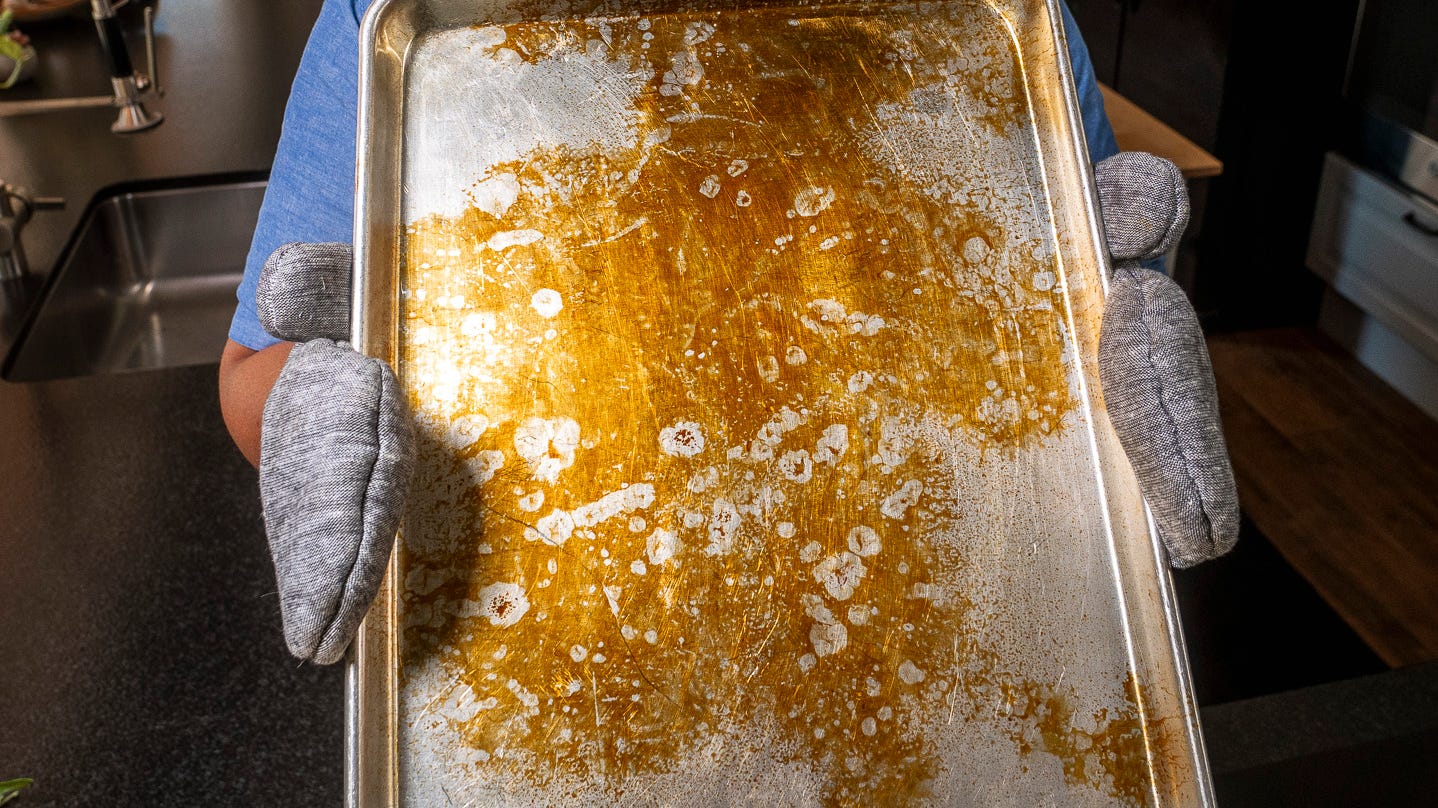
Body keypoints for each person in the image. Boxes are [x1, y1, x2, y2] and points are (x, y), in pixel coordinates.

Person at [219, 0, 1236, 664]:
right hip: (527, 663)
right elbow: (251, 376)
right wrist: (321, 411)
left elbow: (1097, 342)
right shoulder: (402, 27)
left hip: (954, 655)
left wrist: (1131, 358)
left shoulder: (997, 23)